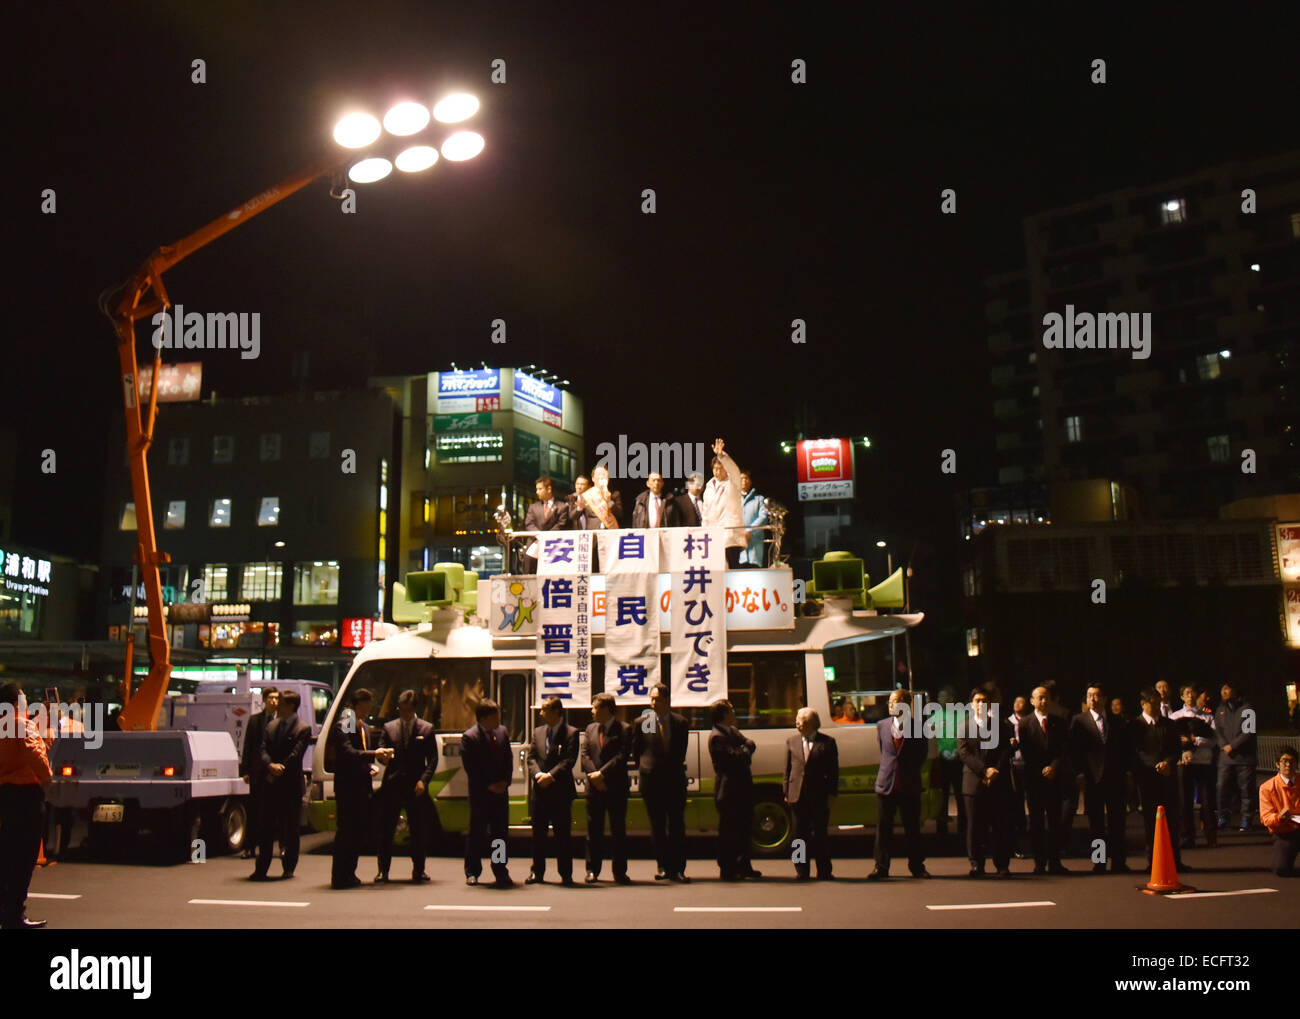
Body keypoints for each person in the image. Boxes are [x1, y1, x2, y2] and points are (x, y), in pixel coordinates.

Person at [0, 682, 53, 929]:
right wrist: (48, 778)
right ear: (15, 703)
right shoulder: (21, 724)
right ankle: (15, 915)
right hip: (26, 797)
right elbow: (35, 751)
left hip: (5, 794)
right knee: (23, 859)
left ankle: (5, 912)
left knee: (6, 855)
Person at [330, 688, 391, 889]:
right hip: (348, 786)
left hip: (361, 784)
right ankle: (340, 875)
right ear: (357, 705)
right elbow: (348, 752)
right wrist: (375, 753)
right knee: (346, 831)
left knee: (357, 832)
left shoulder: (364, 726)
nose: (369, 708)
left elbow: (360, 755)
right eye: (366, 704)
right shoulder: (347, 720)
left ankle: (350, 872)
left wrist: (369, 766)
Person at [377, 689, 439, 883]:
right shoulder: (389, 728)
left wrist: (424, 780)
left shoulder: (426, 729)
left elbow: (433, 759)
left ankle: (419, 869)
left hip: (416, 785)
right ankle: (383, 870)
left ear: (414, 709)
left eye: (407, 710)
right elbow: (381, 750)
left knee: (418, 829)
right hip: (393, 784)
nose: (403, 714)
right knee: (386, 830)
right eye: (401, 710)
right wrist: (382, 757)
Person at [630, 683, 689, 882]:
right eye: (652, 699)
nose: (654, 703)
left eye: (658, 699)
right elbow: (637, 752)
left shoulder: (680, 722)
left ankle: (678, 868)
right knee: (657, 826)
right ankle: (662, 866)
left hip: (674, 780)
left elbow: (680, 752)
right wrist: (647, 768)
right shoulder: (642, 722)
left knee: (677, 826)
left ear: (667, 701)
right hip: (651, 780)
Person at [1070, 684, 1131, 873]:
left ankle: (1119, 862)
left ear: (1104, 699)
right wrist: (1079, 773)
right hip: (1092, 778)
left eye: (1096, 696)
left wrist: (1127, 772)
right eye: (1089, 696)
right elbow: (1075, 751)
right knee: (1096, 824)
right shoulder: (1079, 721)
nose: (1093, 700)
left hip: (1115, 777)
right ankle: (1100, 861)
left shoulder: (1117, 720)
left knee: (1117, 823)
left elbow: (1125, 749)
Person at [251, 689, 311, 881]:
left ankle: (289, 867)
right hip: (270, 783)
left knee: (291, 829)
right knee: (265, 828)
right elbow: (262, 749)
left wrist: (280, 768)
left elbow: (296, 754)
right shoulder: (271, 725)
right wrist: (269, 765)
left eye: (282, 703)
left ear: (291, 706)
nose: (277, 706)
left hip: (290, 785)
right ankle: (262, 867)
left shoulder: (303, 728)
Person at [870, 689, 930, 880]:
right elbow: (885, 752)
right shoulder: (882, 725)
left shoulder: (919, 727)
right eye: (889, 701)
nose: (890, 705)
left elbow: (921, 755)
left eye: (894, 701)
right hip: (886, 783)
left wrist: (908, 772)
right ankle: (881, 867)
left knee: (913, 828)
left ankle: (917, 867)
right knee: (883, 828)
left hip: (909, 784)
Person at [959, 687, 1014, 876]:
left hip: (997, 781)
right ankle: (976, 863)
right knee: (975, 826)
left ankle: (1002, 864)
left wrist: (995, 769)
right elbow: (964, 753)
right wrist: (984, 770)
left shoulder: (1000, 725)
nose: (980, 704)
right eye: (977, 701)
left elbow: (1006, 750)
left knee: (1000, 825)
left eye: (984, 701)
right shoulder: (964, 726)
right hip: (973, 782)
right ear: (971, 704)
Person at [526, 697, 580, 885]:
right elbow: (531, 758)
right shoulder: (538, 732)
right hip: (539, 791)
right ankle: (537, 872)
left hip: (560, 792)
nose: (541, 713)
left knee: (562, 835)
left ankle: (566, 873)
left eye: (545, 709)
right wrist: (539, 774)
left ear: (557, 712)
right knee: (537, 835)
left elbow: (569, 760)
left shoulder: (571, 733)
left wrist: (551, 776)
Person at [461, 700, 514, 887]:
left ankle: (500, 869)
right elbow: (471, 768)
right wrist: (489, 785)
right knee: (477, 833)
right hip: (481, 795)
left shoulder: (502, 732)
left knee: (499, 835)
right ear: (484, 718)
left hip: (500, 793)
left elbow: (509, 759)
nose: (498, 719)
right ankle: (472, 871)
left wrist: (505, 782)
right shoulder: (469, 737)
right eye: (494, 716)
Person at [1132, 688, 1185, 871]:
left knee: (1172, 820)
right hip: (1147, 779)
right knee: (1150, 822)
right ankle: (1153, 861)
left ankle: (1175, 860)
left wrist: (1167, 763)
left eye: (1157, 703)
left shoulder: (1168, 725)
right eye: (1151, 703)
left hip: (1168, 777)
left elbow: (1175, 750)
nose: (1155, 707)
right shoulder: (1135, 726)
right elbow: (1136, 752)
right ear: (1143, 704)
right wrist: (1155, 764)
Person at [581, 693, 631, 884]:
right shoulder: (590, 729)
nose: (592, 711)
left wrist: (602, 775)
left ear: (606, 709)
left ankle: (620, 872)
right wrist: (594, 776)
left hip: (615, 786)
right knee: (593, 831)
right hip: (594, 788)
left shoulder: (624, 729)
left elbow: (622, 756)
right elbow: (585, 755)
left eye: (595, 707)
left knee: (618, 831)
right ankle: (592, 870)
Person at [709, 699, 760, 881]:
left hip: (741, 788)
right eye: (731, 710)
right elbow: (734, 759)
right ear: (723, 714)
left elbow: (750, 744)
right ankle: (728, 868)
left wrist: (743, 750)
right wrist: (744, 751)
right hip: (729, 790)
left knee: (744, 828)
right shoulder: (717, 737)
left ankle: (744, 865)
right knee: (729, 832)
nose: (734, 713)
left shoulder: (732, 731)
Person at [784, 708, 838, 880]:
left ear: (812, 724)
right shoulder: (791, 742)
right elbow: (787, 770)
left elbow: (833, 771)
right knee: (799, 836)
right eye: (797, 720)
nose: (798, 724)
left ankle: (824, 870)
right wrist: (786, 792)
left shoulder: (828, 742)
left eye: (802, 721)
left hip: (819, 796)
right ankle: (801, 870)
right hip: (797, 795)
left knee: (820, 834)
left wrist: (832, 794)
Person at [1021, 686, 1069, 874]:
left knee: (1055, 821)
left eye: (1046, 698)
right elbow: (1026, 751)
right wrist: (1041, 768)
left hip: (1054, 777)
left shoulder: (1059, 722)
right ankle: (1039, 862)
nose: (1043, 701)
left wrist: (1053, 767)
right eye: (1040, 698)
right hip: (1034, 779)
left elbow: (1062, 749)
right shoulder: (1025, 723)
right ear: (1032, 701)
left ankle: (1055, 860)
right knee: (1036, 822)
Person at [1170, 684, 1217, 849]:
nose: (1190, 696)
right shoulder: (1175, 717)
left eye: (1193, 693)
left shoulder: (1207, 717)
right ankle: (1187, 837)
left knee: (1207, 800)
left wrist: (1194, 741)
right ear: (1182, 697)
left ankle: (1211, 837)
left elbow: (1213, 740)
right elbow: (1171, 740)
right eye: (1187, 693)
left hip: (1204, 762)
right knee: (1184, 801)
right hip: (1184, 763)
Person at [240, 686, 278, 859]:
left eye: (276, 698)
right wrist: (245, 771)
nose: (273, 701)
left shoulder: (283, 721)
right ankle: (250, 847)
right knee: (254, 811)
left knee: (277, 812)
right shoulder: (255, 720)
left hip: (276, 773)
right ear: (264, 700)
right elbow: (248, 746)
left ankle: (280, 846)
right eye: (270, 698)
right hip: (257, 773)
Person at [1215, 682, 1258, 831]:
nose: (1224, 691)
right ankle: (1222, 817)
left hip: (1245, 758)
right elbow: (1217, 731)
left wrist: (1232, 746)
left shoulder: (1248, 709)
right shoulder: (1220, 710)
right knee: (1222, 787)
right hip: (1225, 758)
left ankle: (1246, 818)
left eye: (1227, 688)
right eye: (1222, 688)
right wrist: (1224, 746)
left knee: (1246, 789)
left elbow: (1249, 732)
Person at [702, 438, 746, 568]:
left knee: (732, 570)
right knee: (716, 571)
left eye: (720, 468)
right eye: (715, 468)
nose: (717, 471)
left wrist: (722, 457)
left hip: (731, 536)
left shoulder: (733, 483)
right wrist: (704, 533)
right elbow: (705, 514)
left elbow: (734, 469)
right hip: (713, 536)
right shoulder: (708, 488)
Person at [1258, 745, 1300, 876]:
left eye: (1292, 761)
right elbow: (1265, 818)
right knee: (1281, 869)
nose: (1288, 765)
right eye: (1284, 761)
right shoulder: (1267, 788)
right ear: (1277, 764)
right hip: (1284, 833)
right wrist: (1279, 817)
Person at [935, 686, 966, 839]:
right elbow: (932, 738)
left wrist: (957, 752)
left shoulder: (963, 715)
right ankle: (941, 829)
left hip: (959, 761)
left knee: (961, 795)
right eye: (939, 697)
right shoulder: (935, 716)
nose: (940, 700)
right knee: (942, 795)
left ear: (951, 699)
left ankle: (963, 828)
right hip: (941, 761)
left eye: (943, 697)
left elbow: (966, 737)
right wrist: (942, 751)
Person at [522, 476, 569, 573]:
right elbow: (529, 524)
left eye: (540, 489)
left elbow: (561, 524)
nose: (537, 492)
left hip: (554, 545)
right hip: (535, 542)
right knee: (530, 569)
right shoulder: (533, 507)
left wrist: (546, 537)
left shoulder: (562, 507)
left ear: (549, 489)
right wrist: (539, 535)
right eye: (536, 489)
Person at [1008, 694, 1028, 855]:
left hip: (1028, 765)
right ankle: (1016, 845)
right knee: (1016, 804)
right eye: (1015, 701)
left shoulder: (1028, 721)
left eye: (1021, 701)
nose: (1017, 703)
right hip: (1013, 766)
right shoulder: (1007, 722)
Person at [738, 471, 768, 567]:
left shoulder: (759, 499)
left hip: (755, 542)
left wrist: (749, 531)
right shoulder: (734, 499)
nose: (744, 481)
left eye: (746, 478)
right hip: (739, 543)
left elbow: (763, 517)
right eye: (741, 479)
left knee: (755, 574)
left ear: (750, 481)